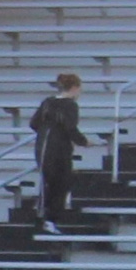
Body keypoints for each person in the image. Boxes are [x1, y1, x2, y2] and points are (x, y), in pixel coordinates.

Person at [30, 74, 87, 227]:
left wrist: (46, 131)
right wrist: (83, 141)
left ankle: (46, 217)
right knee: (60, 182)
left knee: (52, 181)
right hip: (59, 149)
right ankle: (49, 219)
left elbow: (34, 123)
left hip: (43, 146)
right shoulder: (70, 105)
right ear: (74, 88)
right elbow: (70, 128)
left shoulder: (47, 103)